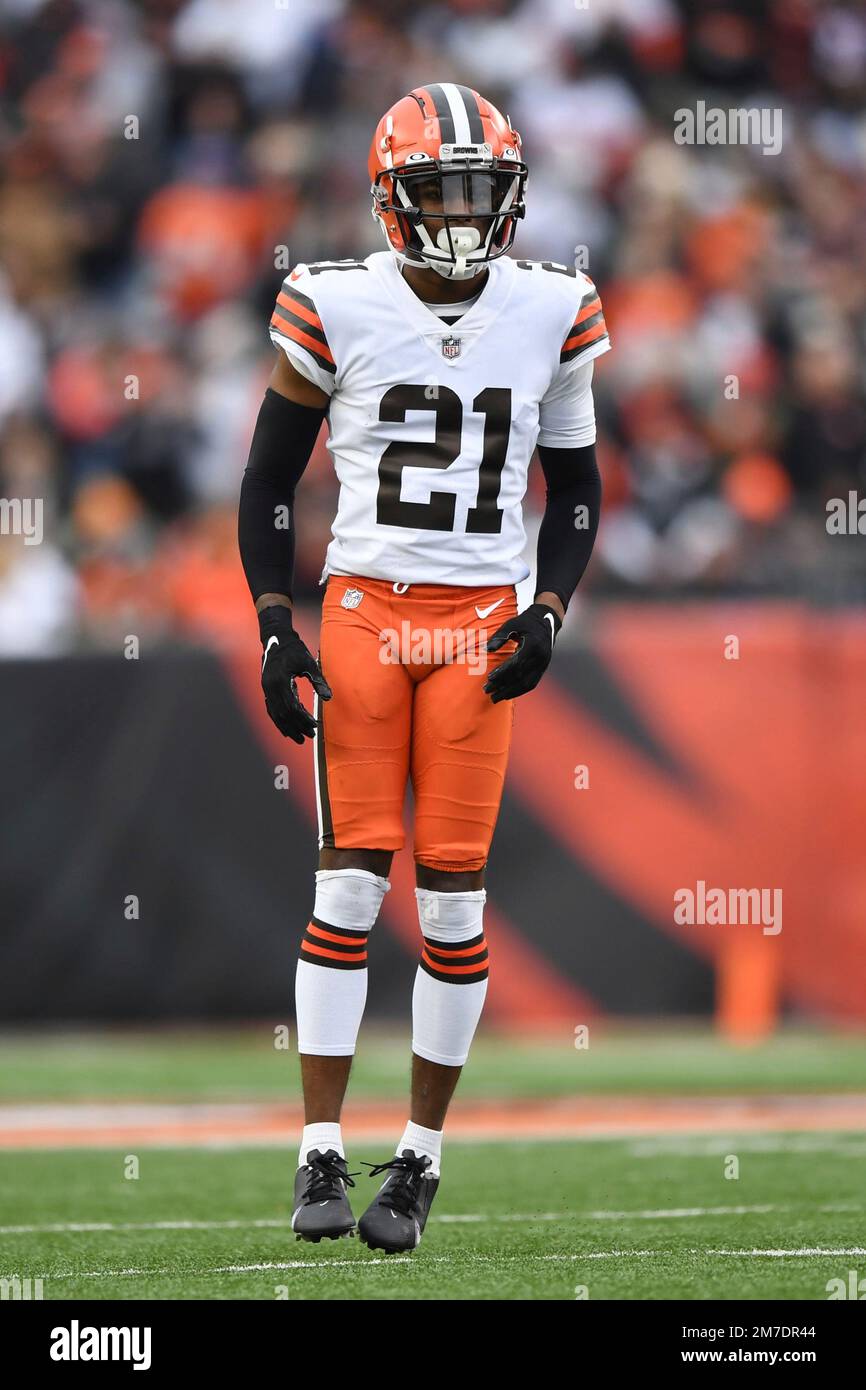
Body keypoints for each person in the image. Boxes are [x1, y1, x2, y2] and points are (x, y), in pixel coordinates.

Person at [237, 83, 608, 1254]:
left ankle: (419, 1160)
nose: (458, 215)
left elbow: (580, 487)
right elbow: (265, 482)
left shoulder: (552, 306)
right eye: (437, 192)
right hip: (361, 610)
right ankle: (317, 1151)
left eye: (477, 193)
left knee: (451, 897)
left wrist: (549, 606)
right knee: (346, 886)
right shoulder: (331, 301)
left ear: (511, 200)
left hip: (475, 622)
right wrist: (271, 621)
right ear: (389, 197)